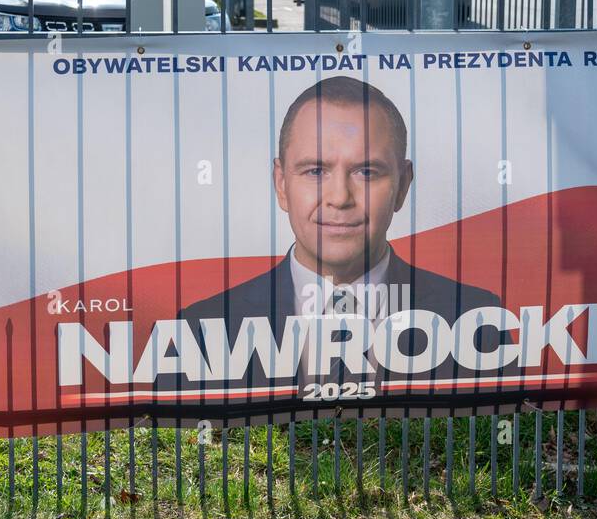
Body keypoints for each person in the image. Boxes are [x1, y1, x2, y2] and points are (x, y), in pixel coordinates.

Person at [177, 75, 507, 390]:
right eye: (315, 170)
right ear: (281, 183)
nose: (339, 198)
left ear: (403, 185)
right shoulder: (199, 328)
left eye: (366, 171)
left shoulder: (477, 319)